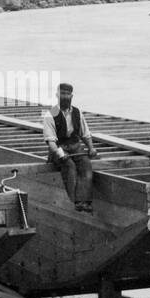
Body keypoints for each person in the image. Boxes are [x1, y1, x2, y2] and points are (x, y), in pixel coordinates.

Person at [41, 82, 99, 212]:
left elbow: (85, 133)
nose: (65, 97)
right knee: (70, 166)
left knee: (86, 165)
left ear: (72, 96)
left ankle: (85, 201)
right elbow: (51, 142)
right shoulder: (50, 115)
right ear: (57, 95)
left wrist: (91, 148)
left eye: (68, 94)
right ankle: (74, 201)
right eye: (62, 94)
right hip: (59, 147)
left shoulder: (77, 112)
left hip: (74, 145)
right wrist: (60, 154)